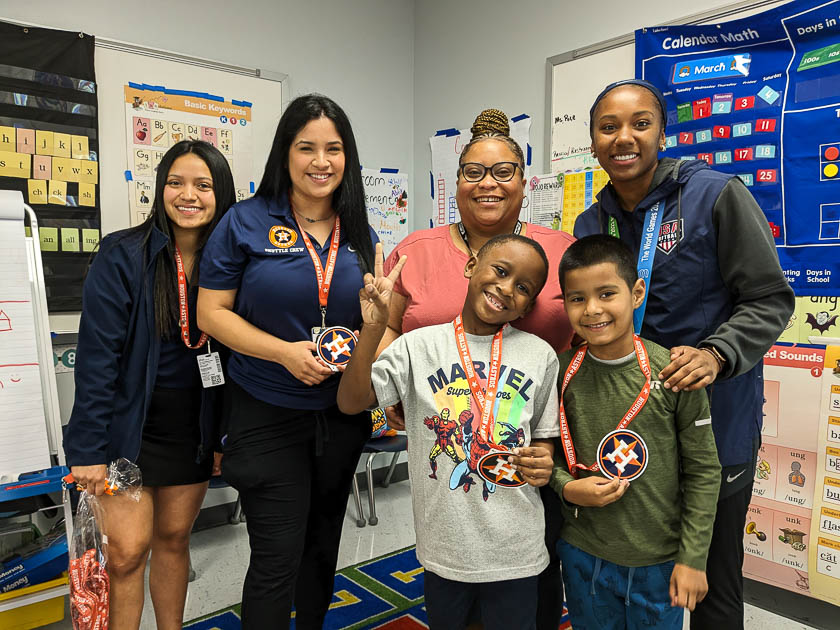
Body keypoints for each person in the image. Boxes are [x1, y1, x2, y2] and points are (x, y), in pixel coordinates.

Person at [574, 79, 795, 629]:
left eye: (640, 123)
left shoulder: (716, 195)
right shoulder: (590, 223)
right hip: (630, 434)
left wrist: (718, 354)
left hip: (713, 424)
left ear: (662, 133)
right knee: (638, 580)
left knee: (711, 585)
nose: (624, 138)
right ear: (594, 142)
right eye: (608, 127)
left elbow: (770, 298)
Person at [382, 109, 574, 629]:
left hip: (536, 441)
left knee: (533, 579)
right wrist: (390, 394)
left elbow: (588, 335)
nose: (488, 183)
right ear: (457, 182)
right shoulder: (415, 252)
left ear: (524, 182)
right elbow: (388, 328)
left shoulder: (561, 251)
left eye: (503, 171)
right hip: (450, 438)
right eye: (473, 172)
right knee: (454, 580)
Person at [196, 94, 378, 630]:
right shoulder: (245, 221)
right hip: (266, 411)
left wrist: (376, 324)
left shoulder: (360, 231)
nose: (321, 161)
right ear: (285, 153)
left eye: (334, 149)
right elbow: (211, 313)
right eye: (306, 147)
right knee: (277, 556)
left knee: (322, 548)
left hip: (340, 415)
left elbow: (371, 319)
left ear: (347, 157)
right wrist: (283, 353)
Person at [339, 234, 560, 630]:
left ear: (528, 305)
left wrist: (543, 459)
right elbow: (351, 402)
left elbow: (544, 437)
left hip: (517, 547)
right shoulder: (417, 347)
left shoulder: (539, 355)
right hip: (445, 545)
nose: (506, 288)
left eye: (523, 288)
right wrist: (372, 329)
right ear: (471, 267)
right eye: (500, 271)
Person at [64, 140, 235, 630]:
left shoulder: (230, 261)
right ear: (160, 189)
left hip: (192, 429)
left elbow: (231, 359)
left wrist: (221, 437)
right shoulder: (122, 254)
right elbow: (97, 360)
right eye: (175, 183)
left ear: (221, 194)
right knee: (126, 555)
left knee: (175, 541)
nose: (188, 195)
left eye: (203, 185)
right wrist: (88, 449)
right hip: (128, 431)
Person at [551, 234, 721, 629]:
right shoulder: (558, 372)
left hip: (658, 561)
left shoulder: (675, 373)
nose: (592, 309)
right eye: (577, 298)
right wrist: (565, 486)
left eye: (606, 294)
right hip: (582, 552)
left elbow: (703, 471)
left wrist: (693, 558)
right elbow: (547, 451)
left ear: (637, 293)